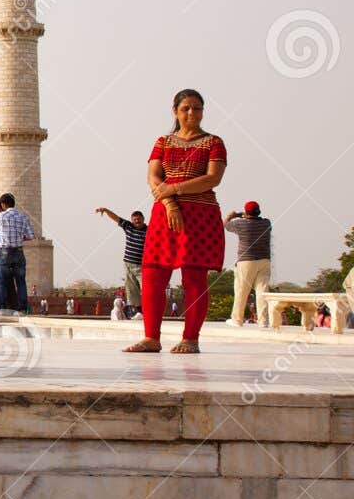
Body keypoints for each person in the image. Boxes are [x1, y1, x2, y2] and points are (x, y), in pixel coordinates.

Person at [125, 89, 228, 355]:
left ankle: (190, 339)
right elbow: (153, 177)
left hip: (200, 216)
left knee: (194, 276)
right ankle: (151, 337)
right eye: (186, 108)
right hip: (164, 213)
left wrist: (174, 190)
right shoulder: (163, 142)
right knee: (153, 274)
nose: (191, 113)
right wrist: (170, 201)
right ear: (175, 111)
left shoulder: (213, 142)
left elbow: (212, 178)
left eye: (197, 108)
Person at [224, 201, 272, 326]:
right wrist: (245, 214)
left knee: (241, 290)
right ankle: (263, 321)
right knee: (262, 291)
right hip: (264, 260)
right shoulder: (267, 223)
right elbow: (254, 217)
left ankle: (237, 319)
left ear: (246, 212)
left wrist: (233, 215)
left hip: (246, 261)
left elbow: (225, 225)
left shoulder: (240, 224)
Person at [94, 206, 146, 315]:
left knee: (146, 288)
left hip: (142, 265)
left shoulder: (149, 230)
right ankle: (140, 312)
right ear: (132, 220)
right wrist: (106, 210)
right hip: (128, 263)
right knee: (131, 290)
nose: (137, 221)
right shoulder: (128, 226)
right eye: (135, 219)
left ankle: (148, 310)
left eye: (139, 219)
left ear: (143, 219)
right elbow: (116, 218)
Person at [0, 193, 35, 315]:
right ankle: (22, 309)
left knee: (1, 281)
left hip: (4, 252)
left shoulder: (0, 216)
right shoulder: (22, 217)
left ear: (3, 204)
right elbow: (31, 236)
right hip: (19, 251)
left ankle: (1, 309)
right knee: (20, 282)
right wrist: (19, 239)